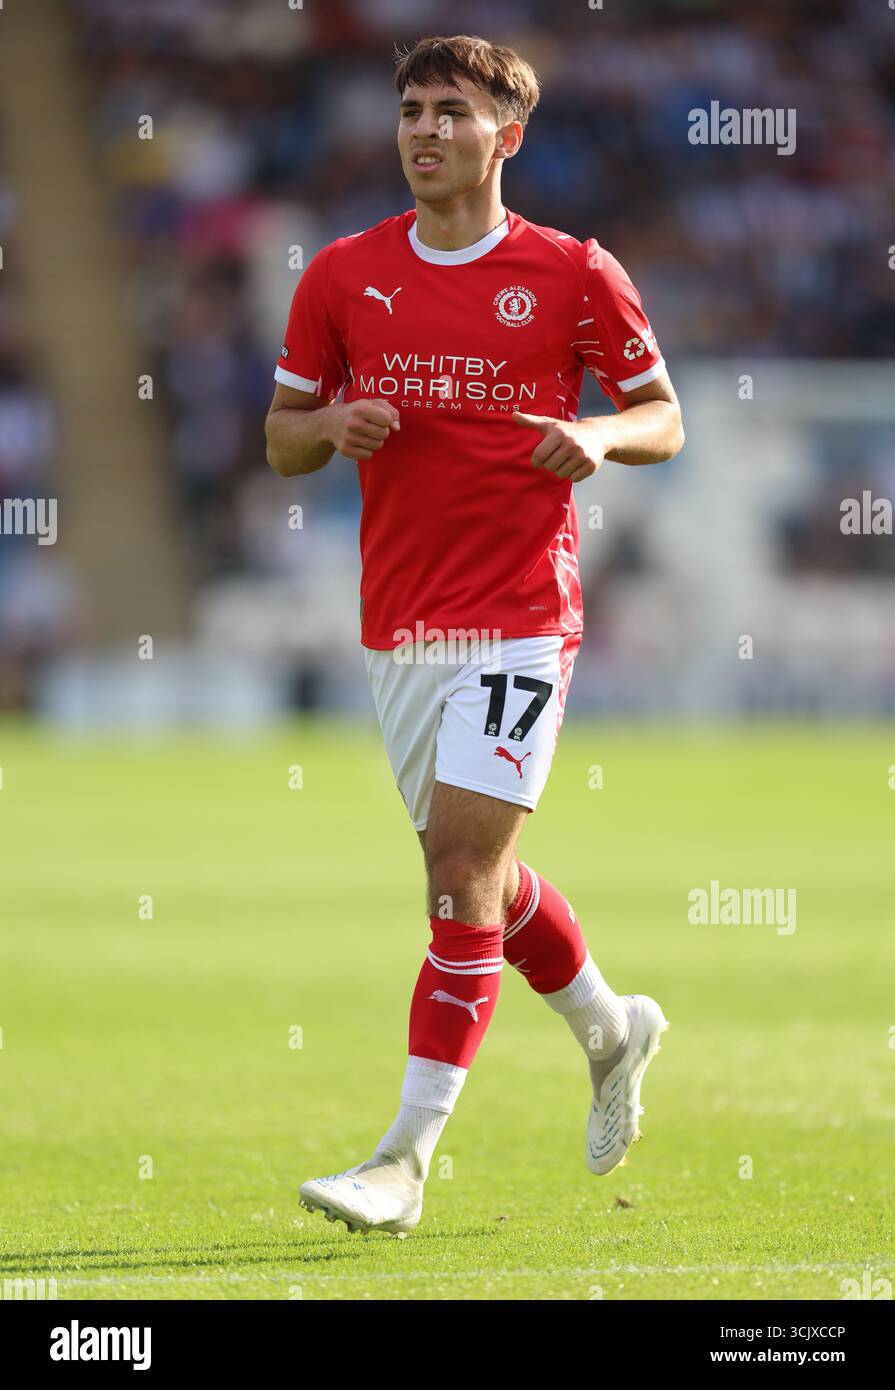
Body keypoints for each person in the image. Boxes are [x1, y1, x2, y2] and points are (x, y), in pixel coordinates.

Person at [266, 33, 684, 1235]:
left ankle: (401, 1161)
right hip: (399, 625)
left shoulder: (571, 272)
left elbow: (662, 413)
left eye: (451, 110)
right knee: (483, 889)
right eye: (409, 109)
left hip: (519, 617)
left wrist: (601, 438)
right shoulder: (341, 276)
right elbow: (279, 435)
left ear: (507, 135)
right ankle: (612, 1029)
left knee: (455, 882)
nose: (423, 130)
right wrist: (332, 421)